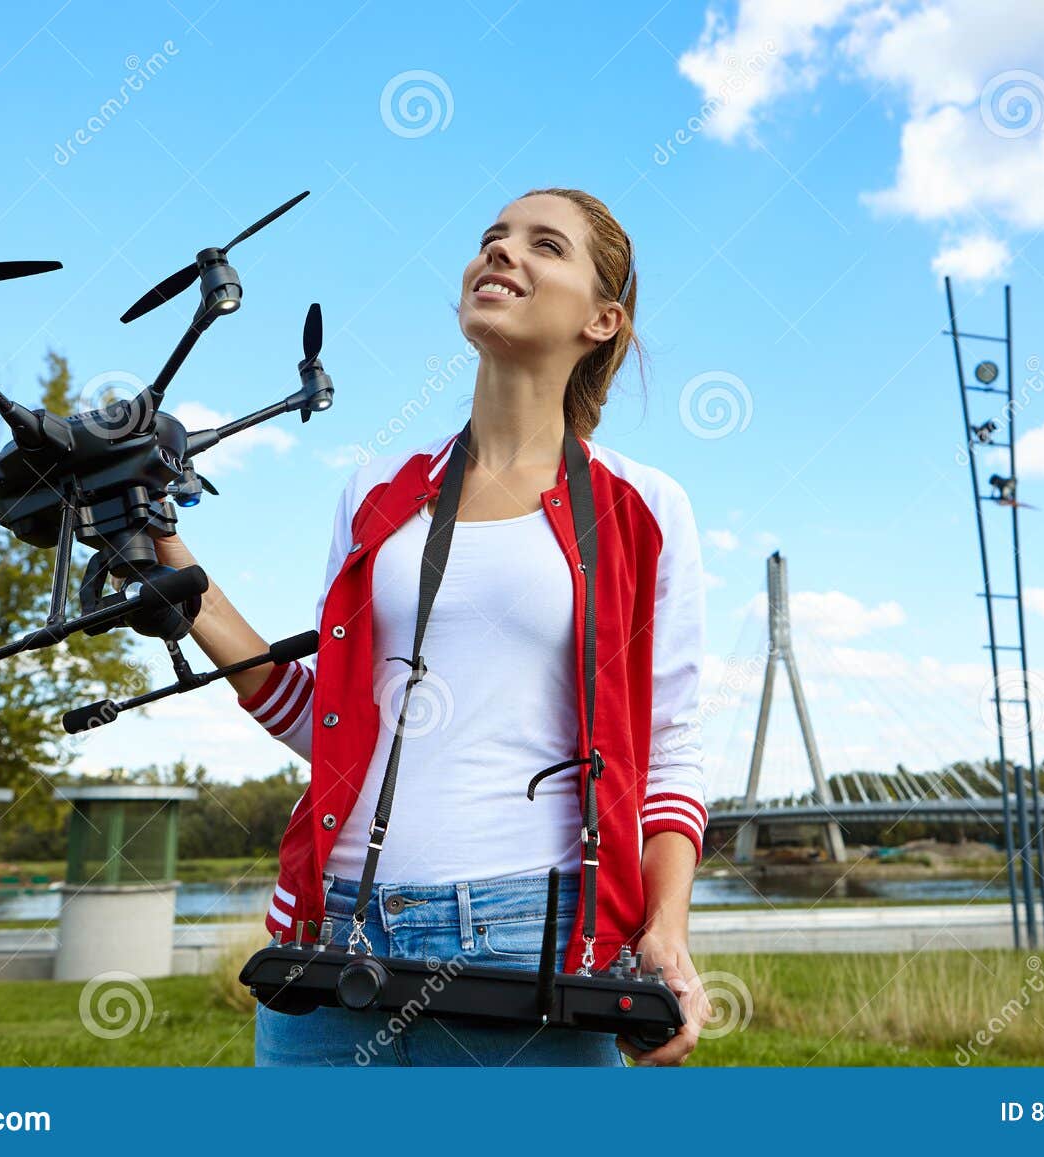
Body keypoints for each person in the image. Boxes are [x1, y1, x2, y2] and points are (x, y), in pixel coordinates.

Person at [154, 187, 710, 1066]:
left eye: (543, 245)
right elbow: (333, 724)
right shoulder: (374, 492)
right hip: (336, 934)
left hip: (535, 942)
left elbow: (669, 752)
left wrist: (666, 929)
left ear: (602, 319)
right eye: (491, 237)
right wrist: (172, 564)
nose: (501, 252)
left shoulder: (642, 506)